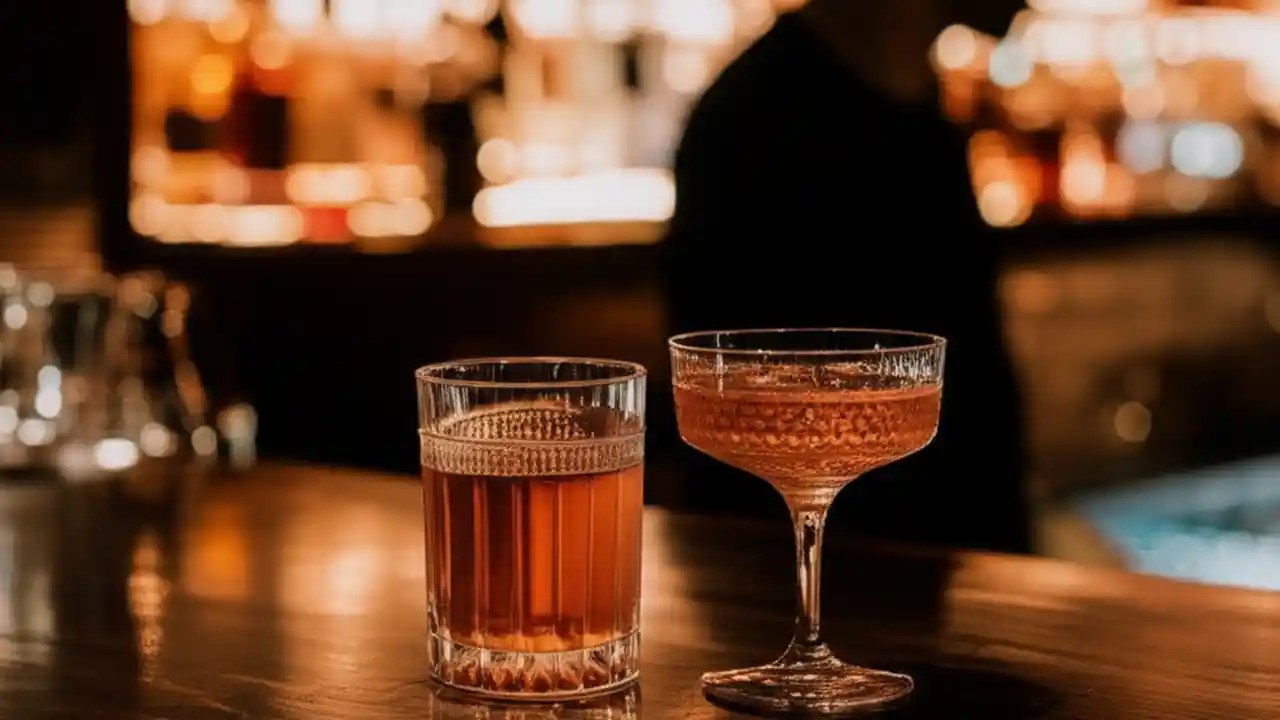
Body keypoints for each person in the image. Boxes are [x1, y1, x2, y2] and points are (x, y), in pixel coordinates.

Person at [662, 0, 1031, 553]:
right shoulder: (752, 123)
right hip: (801, 585)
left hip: (955, 570)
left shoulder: (925, 116)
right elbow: (736, 403)